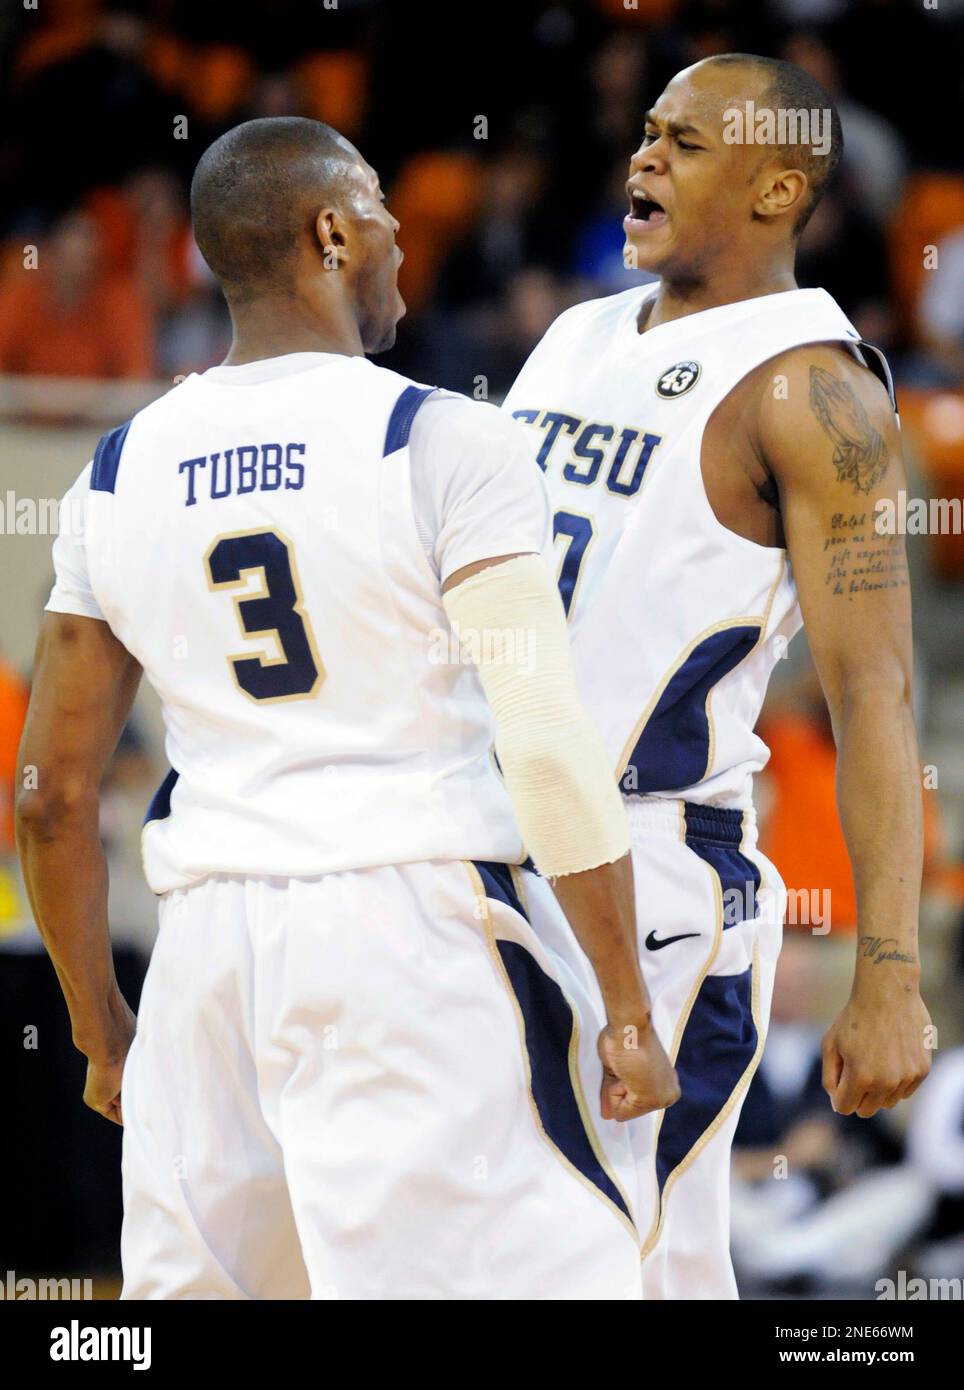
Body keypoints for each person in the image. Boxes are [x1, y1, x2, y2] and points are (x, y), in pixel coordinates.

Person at [15, 117, 677, 1301]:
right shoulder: (442, 437)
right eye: (377, 205)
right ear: (330, 232)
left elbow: (49, 796)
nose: (397, 236)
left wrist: (103, 1024)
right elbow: (541, 734)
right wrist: (626, 1005)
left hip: (207, 948)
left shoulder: (115, 468)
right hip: (411, 928)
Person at [502, 54, 931, 1299]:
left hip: (653, 873)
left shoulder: (815, 389)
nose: (641, 157)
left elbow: (876, 697)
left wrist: (888, 972)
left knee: (624, 1258)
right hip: (494, 838)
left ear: (776, 186)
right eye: (644, 131)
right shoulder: (578, 333)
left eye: (683, 142)